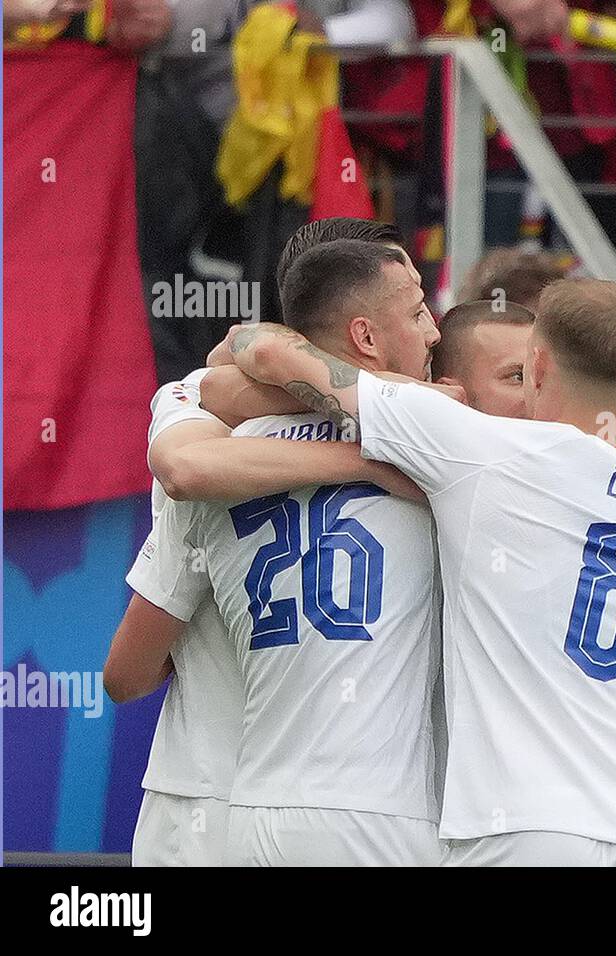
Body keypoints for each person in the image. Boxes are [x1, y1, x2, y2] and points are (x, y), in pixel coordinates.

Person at [208, 270, 616, 865]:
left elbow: (267, 353)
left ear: (540, 367)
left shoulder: (479, 448)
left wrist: (244, 342)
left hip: (525, 830)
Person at [103, 217, 425, 866]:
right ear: (363, 329)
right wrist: (364, 461)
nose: (431, 325)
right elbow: (190, 460)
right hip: (351, 808)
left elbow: (129, 673)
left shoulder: (219, 427)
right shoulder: (433, 446)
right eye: (416, 308)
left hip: (211, 799)